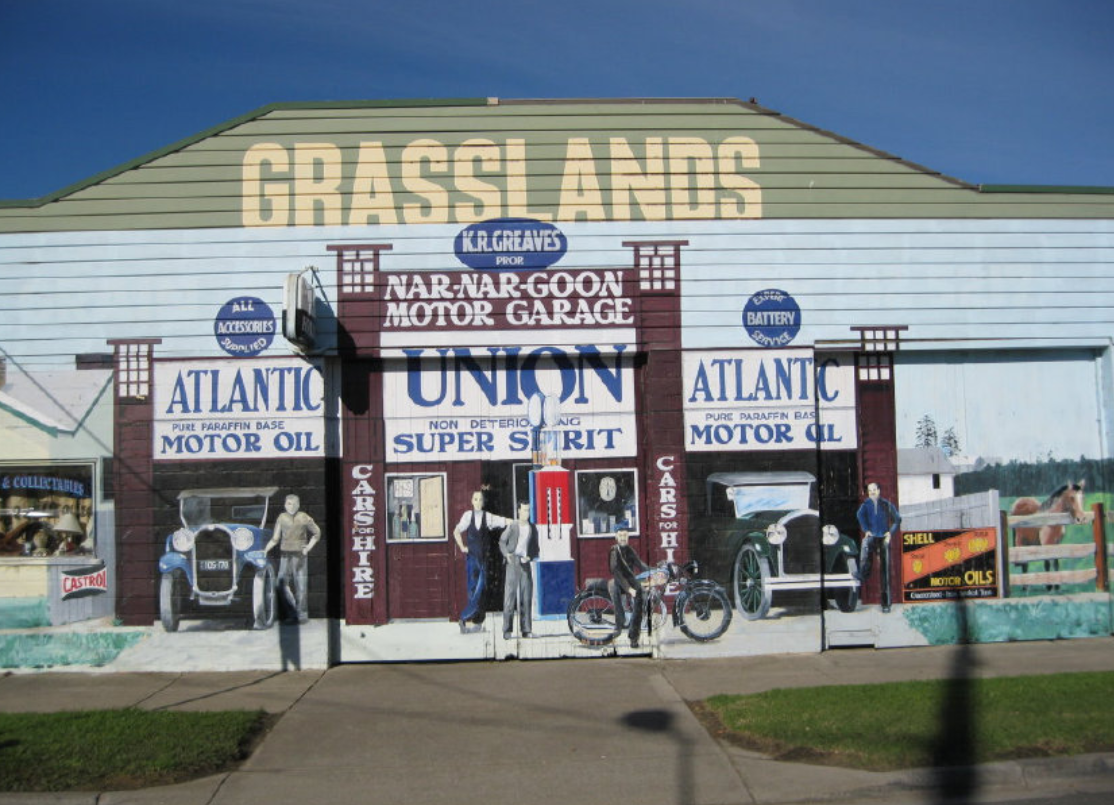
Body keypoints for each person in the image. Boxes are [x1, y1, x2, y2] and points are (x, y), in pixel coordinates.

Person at [453, 488, 510, 633]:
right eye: (475, 499)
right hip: (472, 558)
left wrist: (517, 522)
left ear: (483, 502)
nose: (478, 502)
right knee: (473, 589)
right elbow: (456, 531)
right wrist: (462, 547)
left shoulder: (488, 517)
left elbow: (502, 521)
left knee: (482, 589)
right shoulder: (468, 516)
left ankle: (472, 620)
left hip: (484, 559)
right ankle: (469, 620)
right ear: (472, 501)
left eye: (480, 500)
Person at [264, 494, 322, 624]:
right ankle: (291, 609)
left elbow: (317, 533)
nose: (291, 506)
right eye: (289, 503)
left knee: (301, 585)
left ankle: (302, 614)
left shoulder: (304, 517)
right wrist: (265, 550)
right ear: (285, 505)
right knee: (281, 584)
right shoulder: (281, 518)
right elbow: (275, 538)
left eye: (294, 504)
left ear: (299, 505)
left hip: (299, 555)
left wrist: (308, 547)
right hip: (285, 555)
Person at [855, 482, 901, 613]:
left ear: (879, 491)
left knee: (885, 571)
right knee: (865, 546)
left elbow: (897, 519)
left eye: (874, 490)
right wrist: (866, 529)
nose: (872, 493)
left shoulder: (886, 504)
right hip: (872, 537)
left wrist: (890, 533)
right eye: (870, 491)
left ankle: (886, 604)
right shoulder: (865, 505)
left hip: (883, 539)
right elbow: (859, 515)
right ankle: (863, 574)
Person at [499, 501, 539, 639]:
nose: (526, 513)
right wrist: (506, 554)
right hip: (513, 561)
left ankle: (526, 630)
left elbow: (536, 548)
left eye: (528, 510)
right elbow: (502, 541)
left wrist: (529, 557)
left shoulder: (532, 528)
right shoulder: (513, 526)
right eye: (524, 510)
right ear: (519, 511)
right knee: (509, 596)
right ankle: (507, 630)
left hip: (524, 562)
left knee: (526, 596)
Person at [608, 522, 649, 648]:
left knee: (640, 597)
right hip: (619, 581)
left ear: (628, 537)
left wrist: (653, 571)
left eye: (625, 535)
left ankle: (633, 636)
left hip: (630, 580)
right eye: (620, 535)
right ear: (616, 537)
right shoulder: (614, 551)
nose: (623, 538)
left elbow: (640, 564)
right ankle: (618, 625)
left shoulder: (630, 550)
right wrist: (629, 589)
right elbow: (616, 572)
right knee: (616, 591)